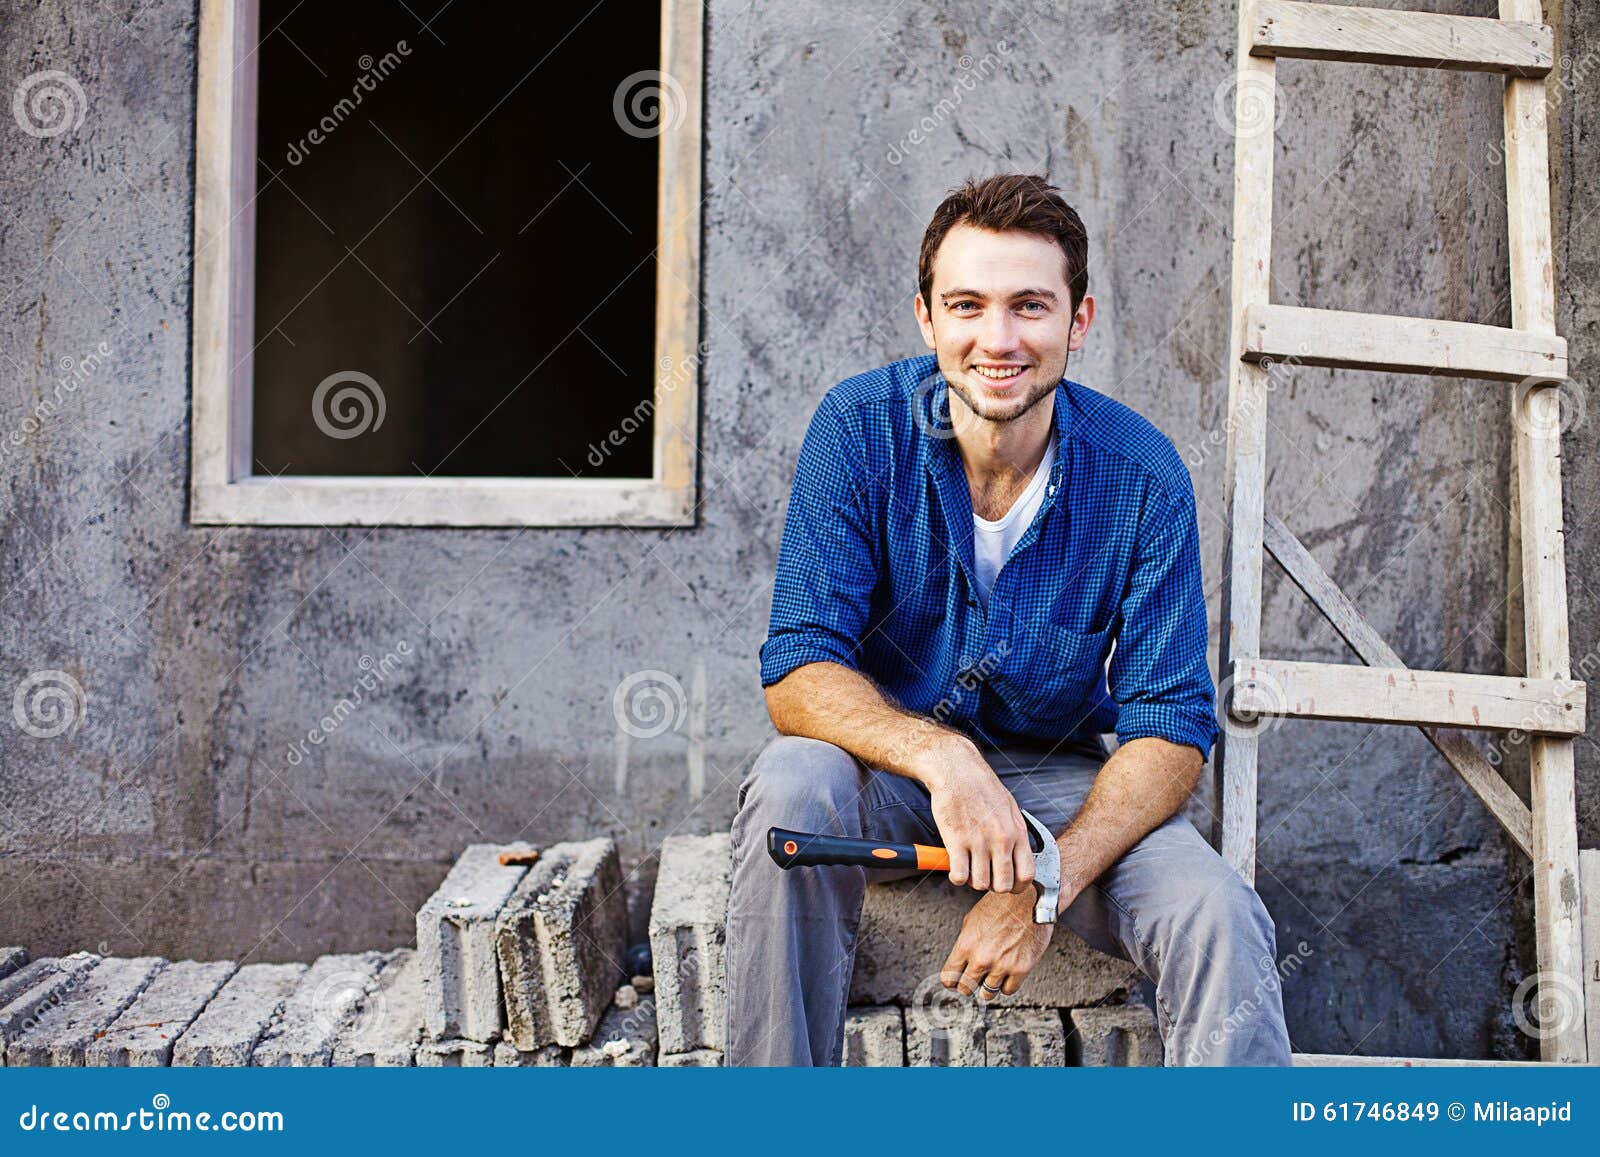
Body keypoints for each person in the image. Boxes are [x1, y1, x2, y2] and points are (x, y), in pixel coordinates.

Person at [724, 172, 1292, 1066]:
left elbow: (1172, 726)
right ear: (926, 318)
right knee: (794, 779)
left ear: (1078, 321)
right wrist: (942, 757)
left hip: (1055, 782)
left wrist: (1043, 883)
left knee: (1217, 913)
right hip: (890, 768)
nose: (998, 339)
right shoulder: (858, 428)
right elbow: (798, 669)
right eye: (967, 305)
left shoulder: (1142, 475)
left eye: (1030, 305)